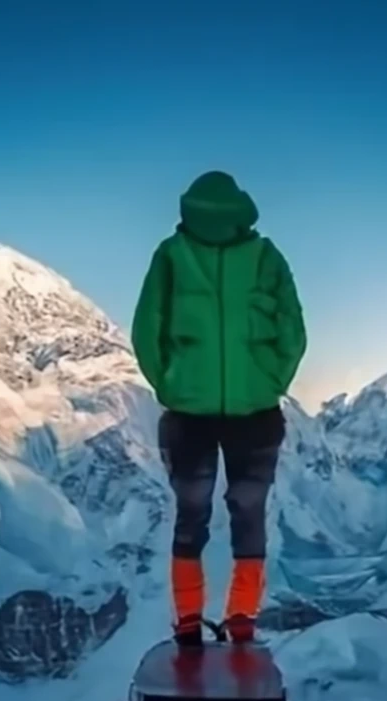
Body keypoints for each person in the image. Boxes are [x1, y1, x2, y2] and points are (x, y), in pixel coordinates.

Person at [131, 170, 307, 647]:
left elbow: (147, 328)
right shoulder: (267, 257)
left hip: (188, 411)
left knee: (191, 515)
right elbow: (292, 328)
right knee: (250, 514)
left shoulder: (171, 254)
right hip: (255, 410)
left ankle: (188, 621)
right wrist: (271, 379)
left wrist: (170, 383)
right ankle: (241, 619)